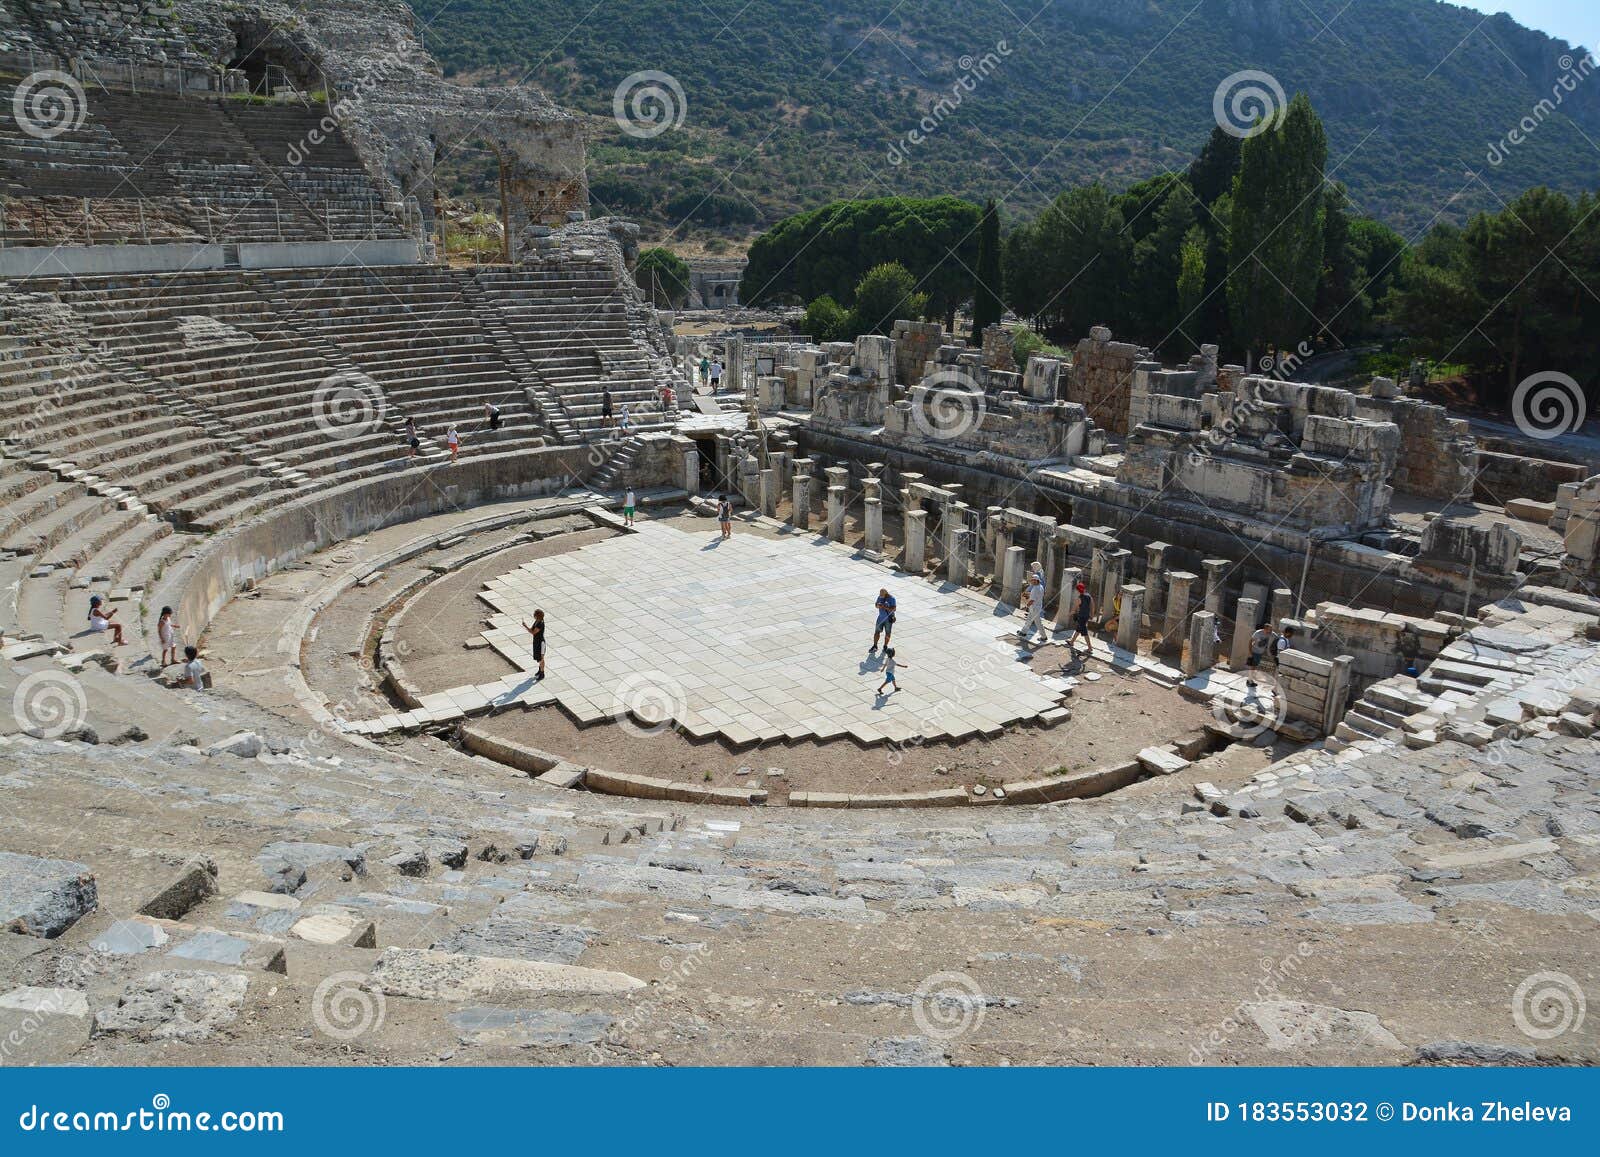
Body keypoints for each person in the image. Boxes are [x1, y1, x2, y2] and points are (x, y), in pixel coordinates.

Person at [1246, 623, 1276, 690]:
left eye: (1271, 630)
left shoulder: (1270, 633)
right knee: (1253, 667)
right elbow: (1250, 641)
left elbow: (1277, 637)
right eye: (1269, 629)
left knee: (1255, 667)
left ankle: (1250, 680)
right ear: (1265, 629)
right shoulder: (1258, 633)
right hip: (1254, 652)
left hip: (1260, 652)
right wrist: (1250, 652)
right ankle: (1249, 681)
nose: (1271, 631)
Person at [869, 588, 897, 654]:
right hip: (880, 618)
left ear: (886, 594)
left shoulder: (892, 599)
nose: (881, 596)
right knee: (876, 632)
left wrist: (885, 607)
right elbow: (876, 605)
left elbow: (894, 609)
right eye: (880, 595)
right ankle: (875, 645)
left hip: (888, 619)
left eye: (882, 595)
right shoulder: (880, 597)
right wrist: (878, 606)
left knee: (887, 633)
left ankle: (885, 646)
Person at [1021, 569, 1046, 641]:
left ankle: (1044, 637)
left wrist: (1027, 606)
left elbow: (1032, 600)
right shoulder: (1040, 586)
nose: (1032, 581)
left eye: (1033, 580)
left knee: (1038, 623)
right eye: (1032, 580)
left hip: (1034, 607)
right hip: (1037, 606)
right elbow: (1036, 596)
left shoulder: (1035, 588)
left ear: (1037, 581)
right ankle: (1023, 632)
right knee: (1029, 619)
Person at [1069, 582, 1093, 655]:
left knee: (1084, 632)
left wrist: (1069, 614)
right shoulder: (1089, 596)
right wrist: (1091, 614)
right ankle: (1072, 642)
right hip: (1086, 616)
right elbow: (1092, 605)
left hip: (1081, 617)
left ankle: (1090, 648)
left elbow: (1074, 610)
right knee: (1079, 629)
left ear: (1078, 590)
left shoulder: (1079, 599)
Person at [522, 610, 546, 680]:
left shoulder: (540, 623)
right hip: (536, 642)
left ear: (537, 616)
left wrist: (525, 626)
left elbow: (533, 632)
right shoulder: (537, 621)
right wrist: (527, 627)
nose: (533, 615)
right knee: (538, 658)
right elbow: (532, 629)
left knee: (541, 658)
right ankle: (540, 670)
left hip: (540, 643)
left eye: (535, 614)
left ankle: (542, 673)